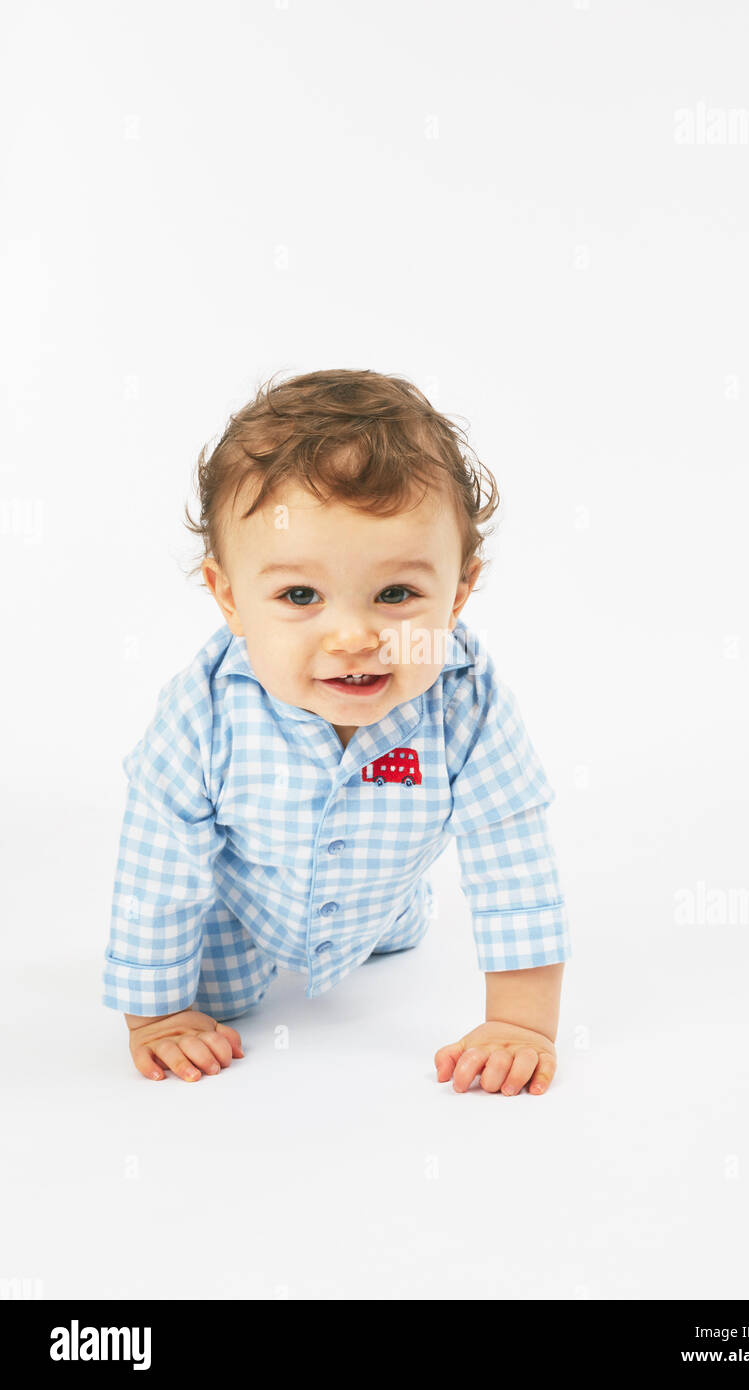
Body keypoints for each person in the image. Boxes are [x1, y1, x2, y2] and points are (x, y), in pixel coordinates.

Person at [102, 368, 572, 1095]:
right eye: (299, 595)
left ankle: (381, 921)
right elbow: (156, 868)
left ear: (458, 594)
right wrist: (156, 1015)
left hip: (383, 903)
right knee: (222, 995)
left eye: (397, 594)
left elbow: (511, 854)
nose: (353, 637)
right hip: (242, 913)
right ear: (229, 597)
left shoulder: (465, 699)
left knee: (397, 931)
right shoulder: (203, 712)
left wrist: (520, 1024)